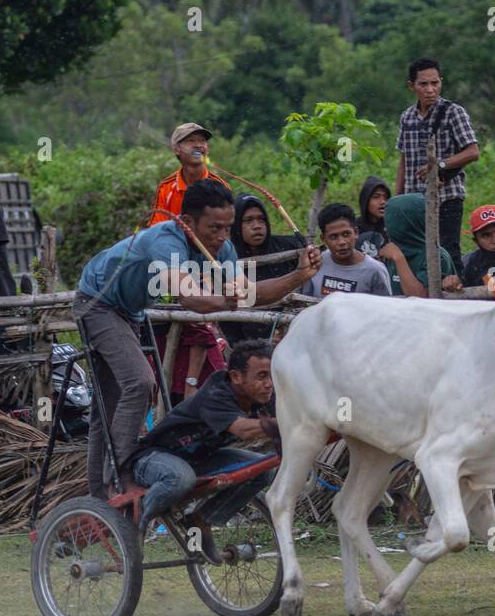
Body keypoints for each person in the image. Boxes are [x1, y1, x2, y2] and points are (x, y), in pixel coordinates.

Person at [73, 179, 317, 499]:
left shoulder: (224, 248)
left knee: (106, 405)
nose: (222, 237)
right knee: (140, 383)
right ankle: (122, 475)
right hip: (97, 303)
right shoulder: (166, 241)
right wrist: (230, 300)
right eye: (213, 228)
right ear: (187, 223)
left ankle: (97, 498)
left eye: (228, 228)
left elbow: (252, 296)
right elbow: (190, 299)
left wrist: (299, 276)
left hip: (130, 312)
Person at [130, 340, 279, 562]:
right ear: (236, 377)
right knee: (180, 478)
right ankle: (135, 526)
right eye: (261, 376)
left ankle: (201, 520)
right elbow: (243, 430)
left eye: (272, 375)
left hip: (201, 458)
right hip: (156, 457)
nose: (269, 384)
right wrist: (289, 422)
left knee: (262, 469)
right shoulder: (216, 393)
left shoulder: (264, 397)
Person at [149, 123, 234, 401]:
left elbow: (222, 237)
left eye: (203, 141)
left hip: (207, 266)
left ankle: (196, 387)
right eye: (190, 142)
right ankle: (178, 390)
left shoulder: (220, 187)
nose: (199, 146)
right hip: (174, 266)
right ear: (176, 150)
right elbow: (158, 231)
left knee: (205, 317)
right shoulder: (167, 188)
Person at [395, 58, 480, 270]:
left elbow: (472, 152)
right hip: (414, 200)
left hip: (447, 196)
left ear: (441, 82)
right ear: (411, 86)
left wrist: (440, 165)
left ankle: (455, 295)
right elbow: (403, 161)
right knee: (417, 252)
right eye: (423, 84)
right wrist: (396, 201)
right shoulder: (407, 117)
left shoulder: (453, 112)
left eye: (435, 83)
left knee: (448, 251)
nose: (430, 89)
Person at [223, 193, 306, 344]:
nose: (257, 225)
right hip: (239, 339)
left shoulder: (290, 248)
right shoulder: (226, 254)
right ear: (235, 225)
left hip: (288, 333)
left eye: (261, 219)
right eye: (248, 220)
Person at [300, 203, 392, 297]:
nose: (341, 242)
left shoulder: (375, 270)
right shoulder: (316, 264)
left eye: (346, 234)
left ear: (356, 233)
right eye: (333, 237)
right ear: (324, 239)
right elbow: (304, 304)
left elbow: (384, 307)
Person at [379, 192, 460, 295]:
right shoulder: (391, 251)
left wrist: (399, 259)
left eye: (391, 221)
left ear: (406, 224)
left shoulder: (436, 256)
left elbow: (419, 298)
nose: (386, 228)